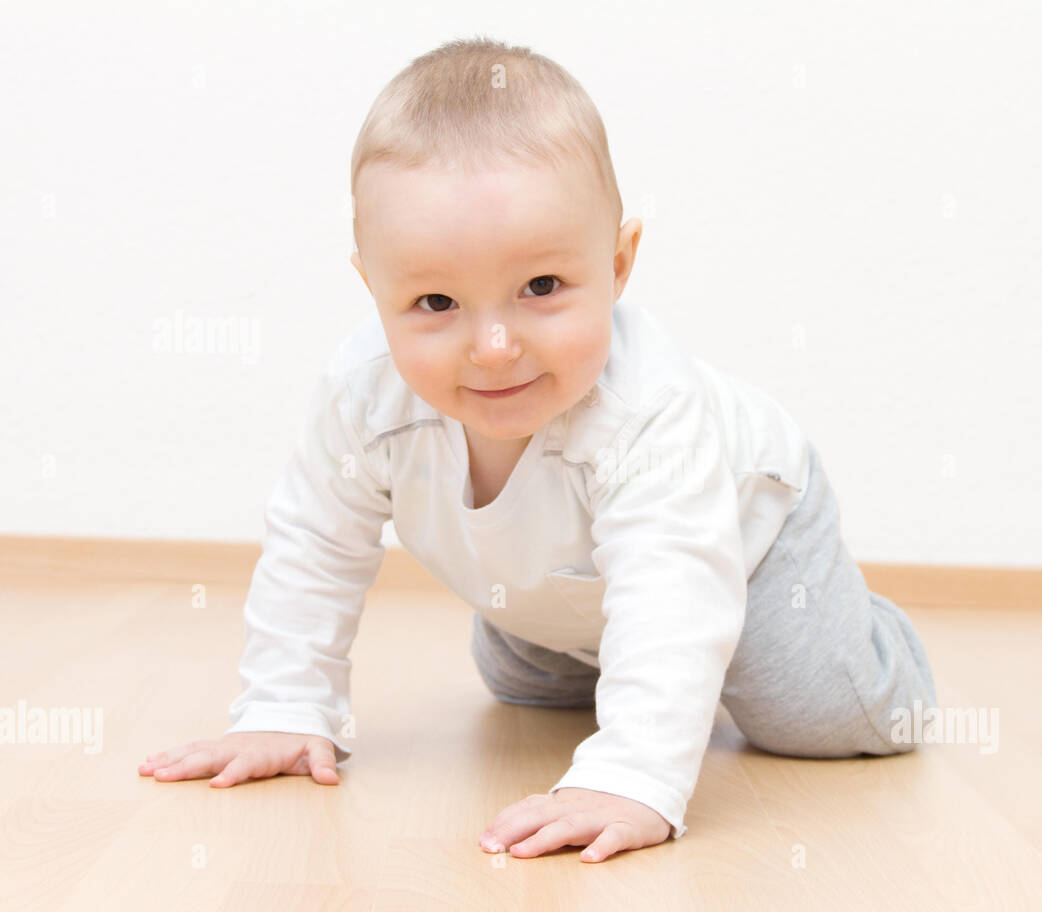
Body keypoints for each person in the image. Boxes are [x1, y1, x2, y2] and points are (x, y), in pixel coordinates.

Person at [140, 35, 938, 864]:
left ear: (619, 263)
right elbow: (314, 542)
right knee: (527, 687)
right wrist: (284, 705)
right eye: (436, 300)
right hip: (559, 587)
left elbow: (671, 577)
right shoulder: (362, 399)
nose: (492, 345)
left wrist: (631, 773)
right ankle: (615, 659)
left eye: (542, 288)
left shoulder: (646, 410)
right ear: (372, 287)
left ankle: (860, 636)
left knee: (808, 715)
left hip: (742, 540)